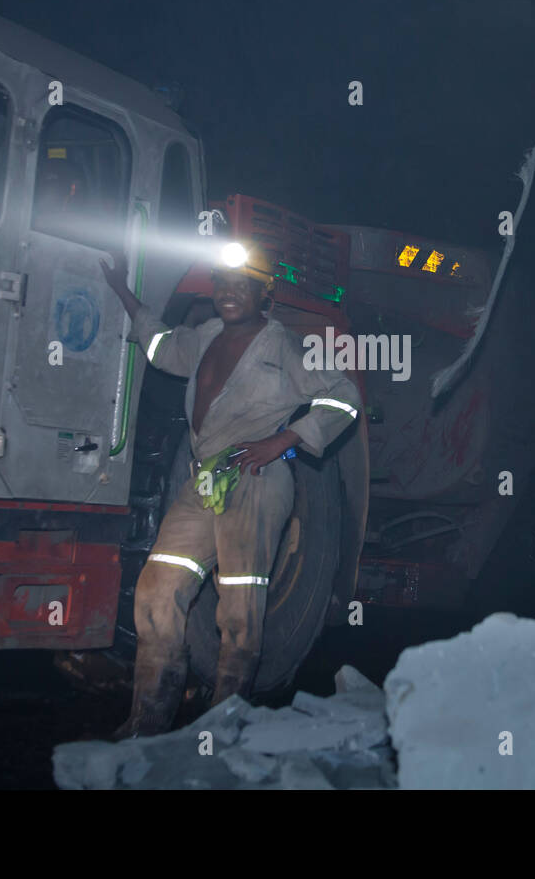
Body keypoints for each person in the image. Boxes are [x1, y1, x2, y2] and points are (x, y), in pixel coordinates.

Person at [100, 243, 361, 737]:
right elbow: (158, 346)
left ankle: (223, 729)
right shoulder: (205, 337)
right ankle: (148, 722)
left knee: (239, 610)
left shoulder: (284, 346)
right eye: (222, 283)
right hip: (206, 480)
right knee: (158, 588)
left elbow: (344, 399)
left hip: (256, 481)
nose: (229, 292)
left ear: (265, 293)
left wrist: (285, 441)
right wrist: (122, 291)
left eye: (243, 284)